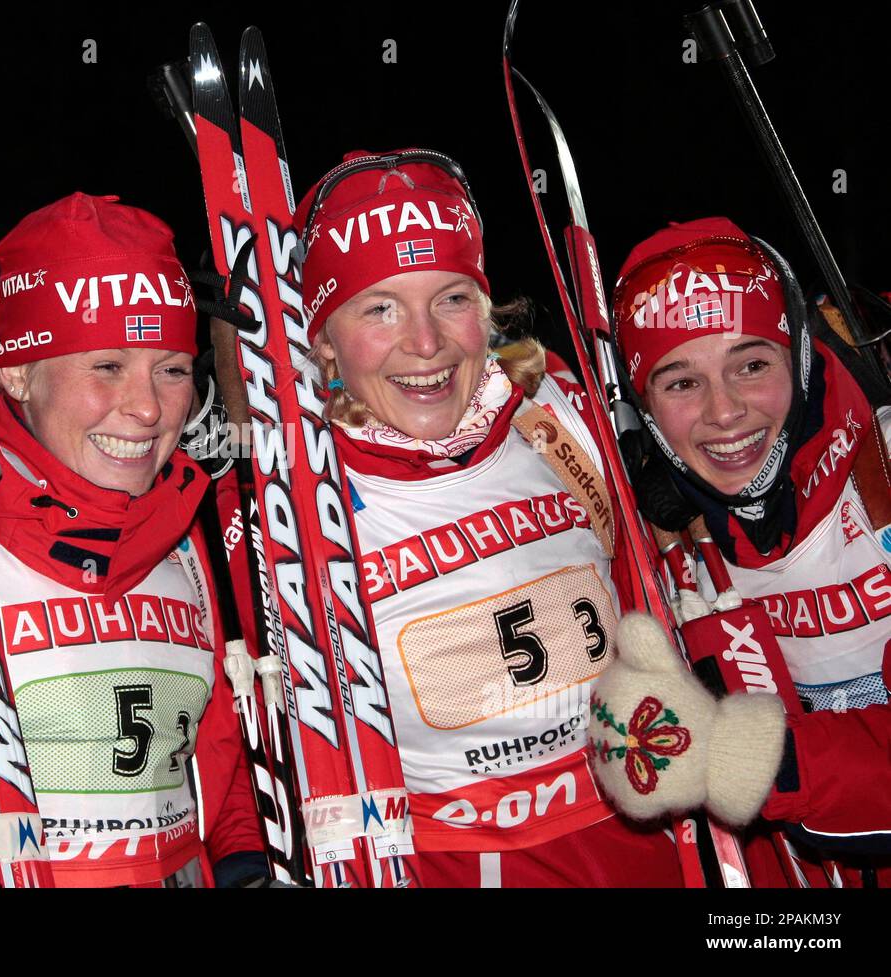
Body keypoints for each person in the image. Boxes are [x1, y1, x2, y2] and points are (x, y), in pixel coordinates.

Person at [288, 149, 687, 886]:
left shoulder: (557, 410)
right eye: (380, 307)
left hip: (638, 837)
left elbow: (654, 585)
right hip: (459, 862)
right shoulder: (297, 494)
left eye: (452, 298)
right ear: (323, 341)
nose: (427, 343)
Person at [0, 192, 265, 887]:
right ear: (16, 370)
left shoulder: (182, 529)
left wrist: (246, 861)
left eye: (171, 368)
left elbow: (209, 757)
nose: (147, 407)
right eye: (106, 366)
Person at [589, 217, 891, 886]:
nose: (724, 412)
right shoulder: (663, 545)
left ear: (801, 358)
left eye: (751, 363)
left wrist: (758, 756)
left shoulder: (883, 471)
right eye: (681, 382)